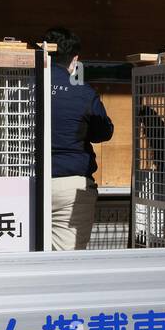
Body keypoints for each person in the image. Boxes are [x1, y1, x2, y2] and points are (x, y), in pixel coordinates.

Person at [43, 26, 113, 250]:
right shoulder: (83, 92)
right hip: (71, 186)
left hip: (26, 184)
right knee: (66, 265)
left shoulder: (24, 87)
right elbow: (104, 131)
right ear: (74, 60)